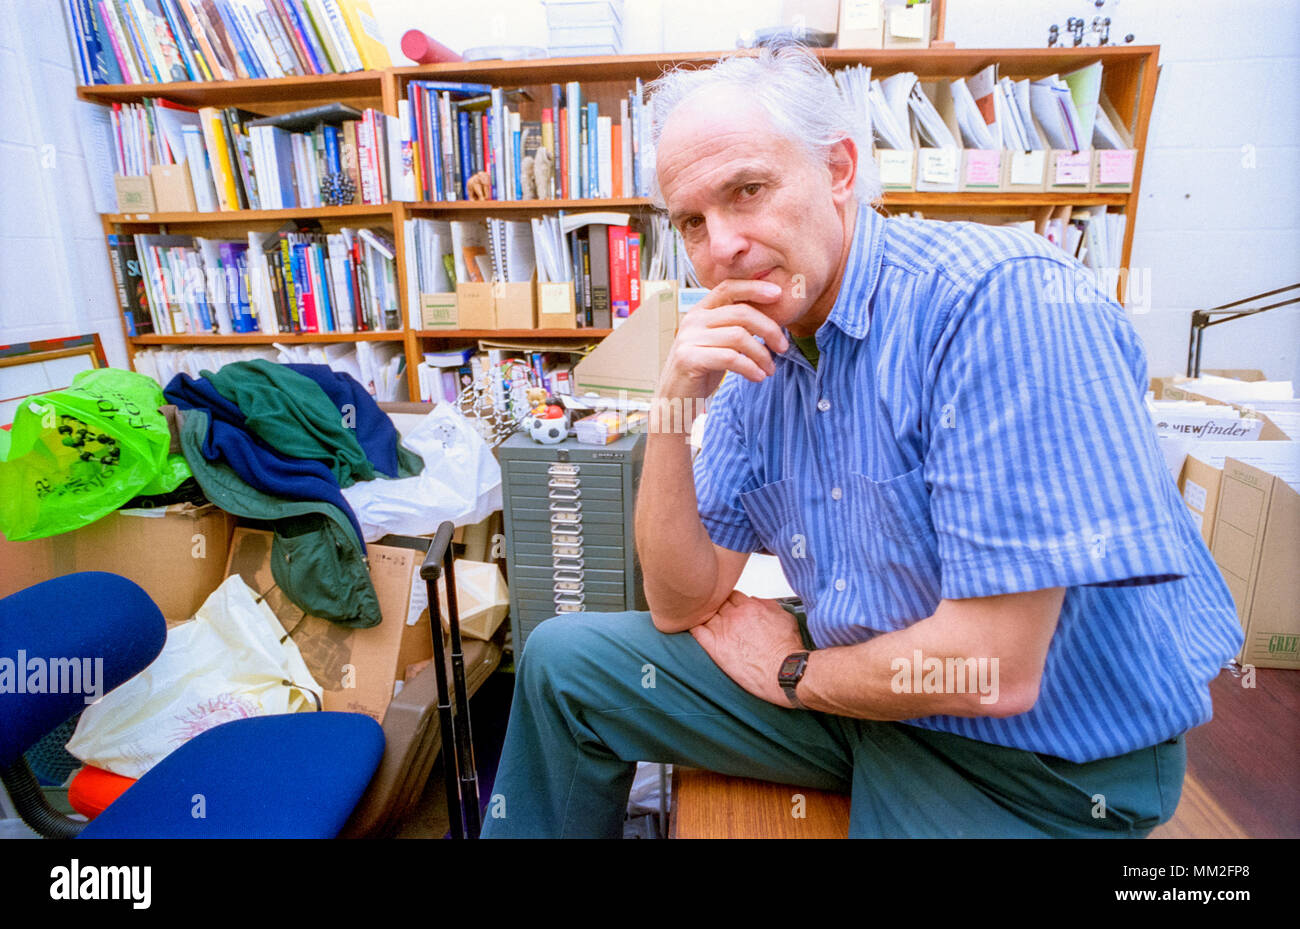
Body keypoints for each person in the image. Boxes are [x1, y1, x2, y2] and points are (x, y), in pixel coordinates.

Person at [480, 45, 1243, 839]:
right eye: (693, 223)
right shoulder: (757, 354)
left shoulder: (998, 302)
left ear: (840, 170)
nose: (724, 246)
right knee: (563, 662)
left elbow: (994, 666)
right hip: (869, 688)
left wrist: (795, 668)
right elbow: (682, 601)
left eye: (749, 190)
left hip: (1039, 757)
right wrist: (670, 407)